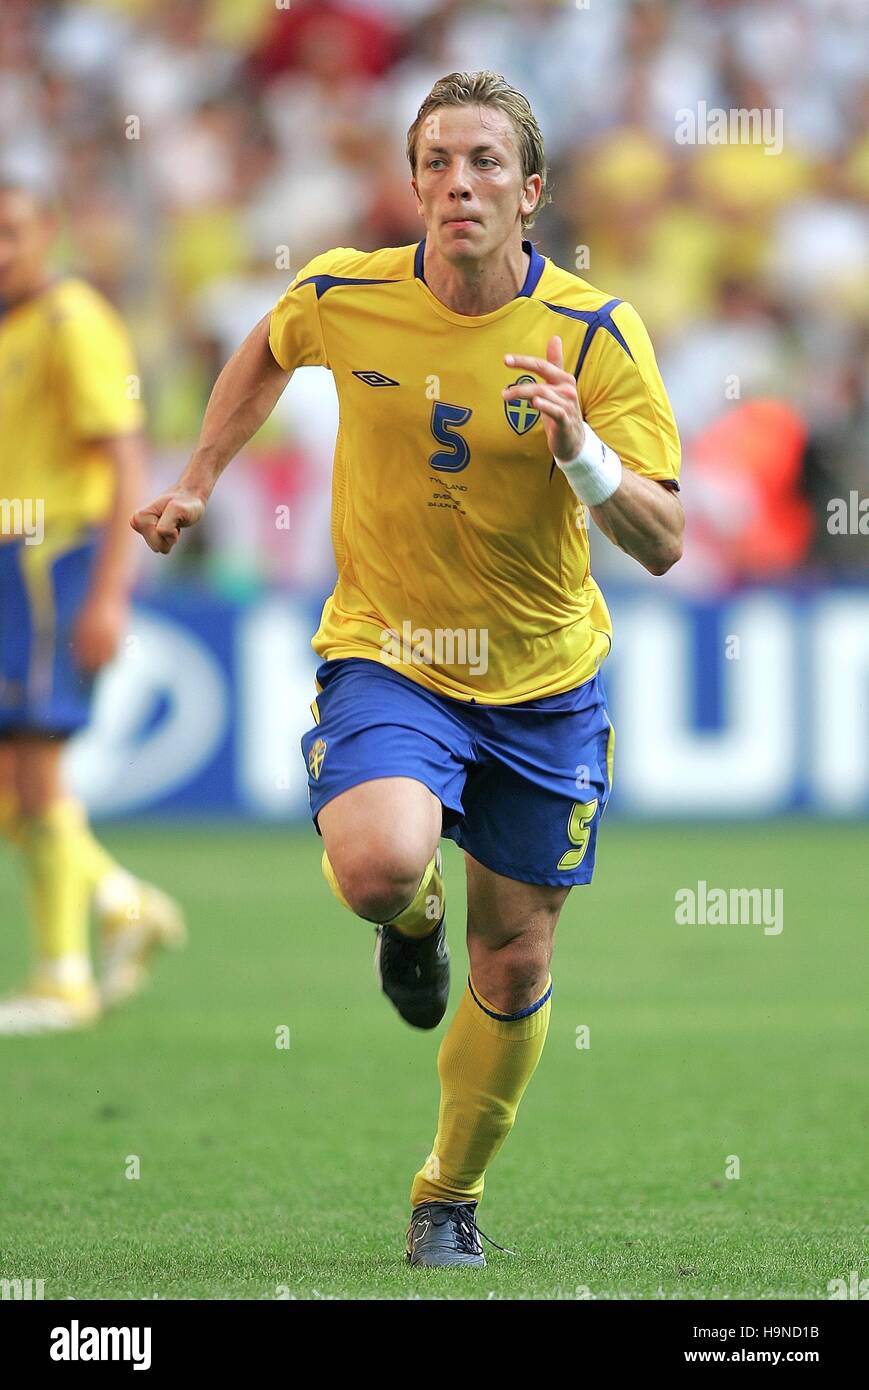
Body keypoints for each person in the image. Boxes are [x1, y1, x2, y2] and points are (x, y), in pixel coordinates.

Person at [132, 71, 682, 1267]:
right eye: (435, 161)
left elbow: (663, 539)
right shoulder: (346, 290)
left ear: (529, 192)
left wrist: (581, 453)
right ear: (413, 181)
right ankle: (408, 918)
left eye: (484, 162)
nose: (457, 184)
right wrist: (199, 476)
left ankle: (447, 1194)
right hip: (391, 650)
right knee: (382, 865)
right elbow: (270, 346)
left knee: (518, 955)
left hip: (543, 678)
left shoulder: (593, 333)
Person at [0, 180, 185, 1036]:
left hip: (51, 564)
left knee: (35, 772)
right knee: (14, 789)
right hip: (15, 565)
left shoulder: (73, 320)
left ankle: (63, 976)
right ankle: (119, 898)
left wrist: (110, 593)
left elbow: (123, 457)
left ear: (48, 236)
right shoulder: (15, 326)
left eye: (12, 234)